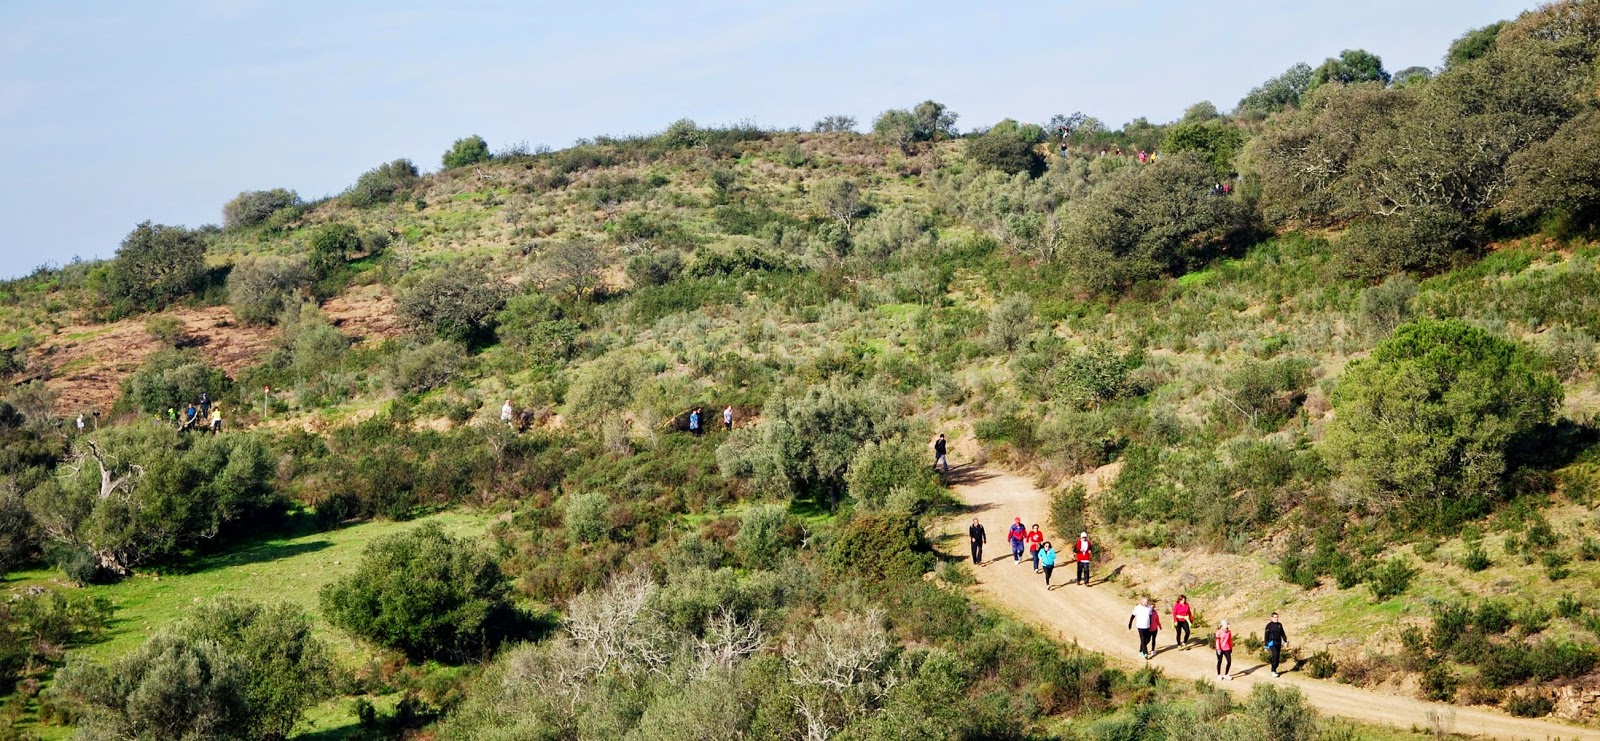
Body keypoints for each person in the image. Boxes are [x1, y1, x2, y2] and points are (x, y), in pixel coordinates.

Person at [1265, 613, 1289, 677]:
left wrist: (1285, 641)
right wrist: (1266, 646)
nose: (1276, 618)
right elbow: (1266, 636)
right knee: (1275, 655)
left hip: (1278, 643)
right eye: (1275, 617)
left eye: (1277, 617)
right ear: (1271, 618)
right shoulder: (1269, 626)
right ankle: (1273, 671)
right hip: (1271, 643)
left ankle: (1275, 669)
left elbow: (1283, 633)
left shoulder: (1279, 625)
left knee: (1277, 657)